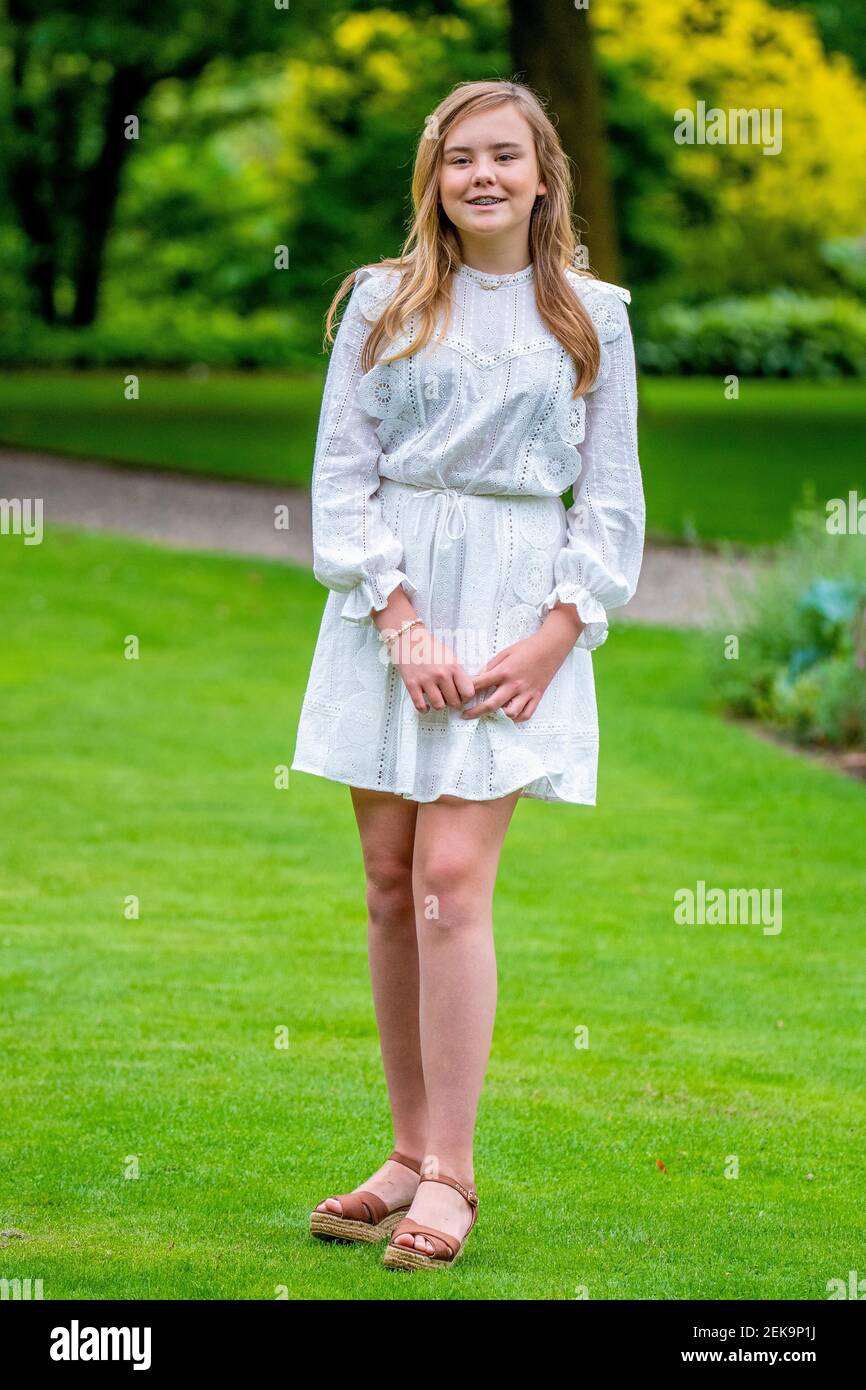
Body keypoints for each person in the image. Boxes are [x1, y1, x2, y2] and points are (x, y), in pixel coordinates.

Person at [292, 78, 646, 1272]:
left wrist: (560, 628)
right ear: (432, 180)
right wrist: (395, 615)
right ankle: (401, 1154)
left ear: (543, 174)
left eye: (503, 156)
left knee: (451, 876)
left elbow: (607, 494)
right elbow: (341, 474)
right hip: (387, 610)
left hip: (512, 611)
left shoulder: (591, 313)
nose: (480, 176)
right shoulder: (380, 303)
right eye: (457, 159)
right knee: (390, 882)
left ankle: (452, 1174)